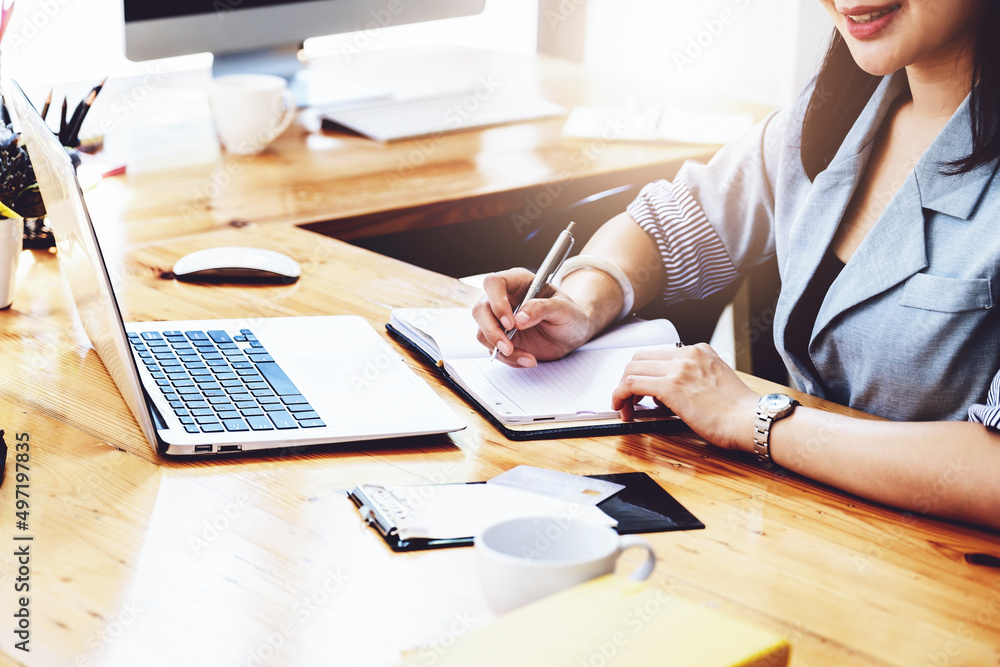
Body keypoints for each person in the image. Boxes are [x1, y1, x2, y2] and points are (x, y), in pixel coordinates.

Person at [472, 0, 1000, 531]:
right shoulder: (839, 113)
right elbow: (668, 223)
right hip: (799, 528)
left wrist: (752, 418)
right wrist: (581, 301)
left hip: (947, 572)